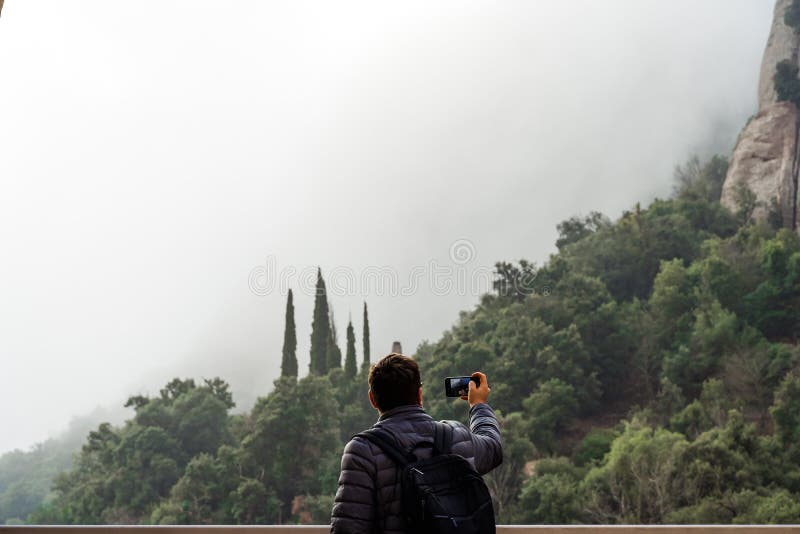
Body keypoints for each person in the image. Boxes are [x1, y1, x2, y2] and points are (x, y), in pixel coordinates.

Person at [330, 353, 503, 533]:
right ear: (419, 394)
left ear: (372, 399)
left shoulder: (362, 451)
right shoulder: (456, 435)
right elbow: (493, 447)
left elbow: (347, 528)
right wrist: (478, 405)